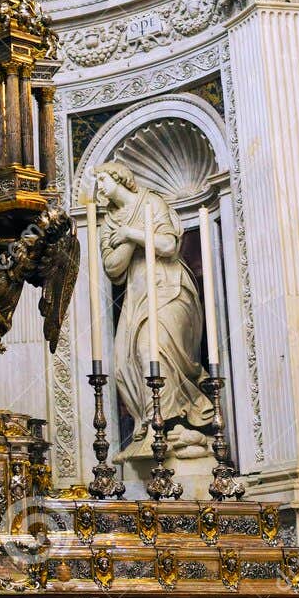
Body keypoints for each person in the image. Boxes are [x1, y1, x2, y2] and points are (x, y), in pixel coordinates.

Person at [94, 161, 213, 454]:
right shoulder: (108, 221)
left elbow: (168, 246)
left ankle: (169, 424)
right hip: (137, 294)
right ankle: (150, 421)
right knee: (124, 364)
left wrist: (130, 234)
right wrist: (130, 238)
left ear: (120, 178)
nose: (99, 187)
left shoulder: (151, 202)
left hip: (168, 287)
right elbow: (112, 268)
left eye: (102, 180)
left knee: (152, 349)